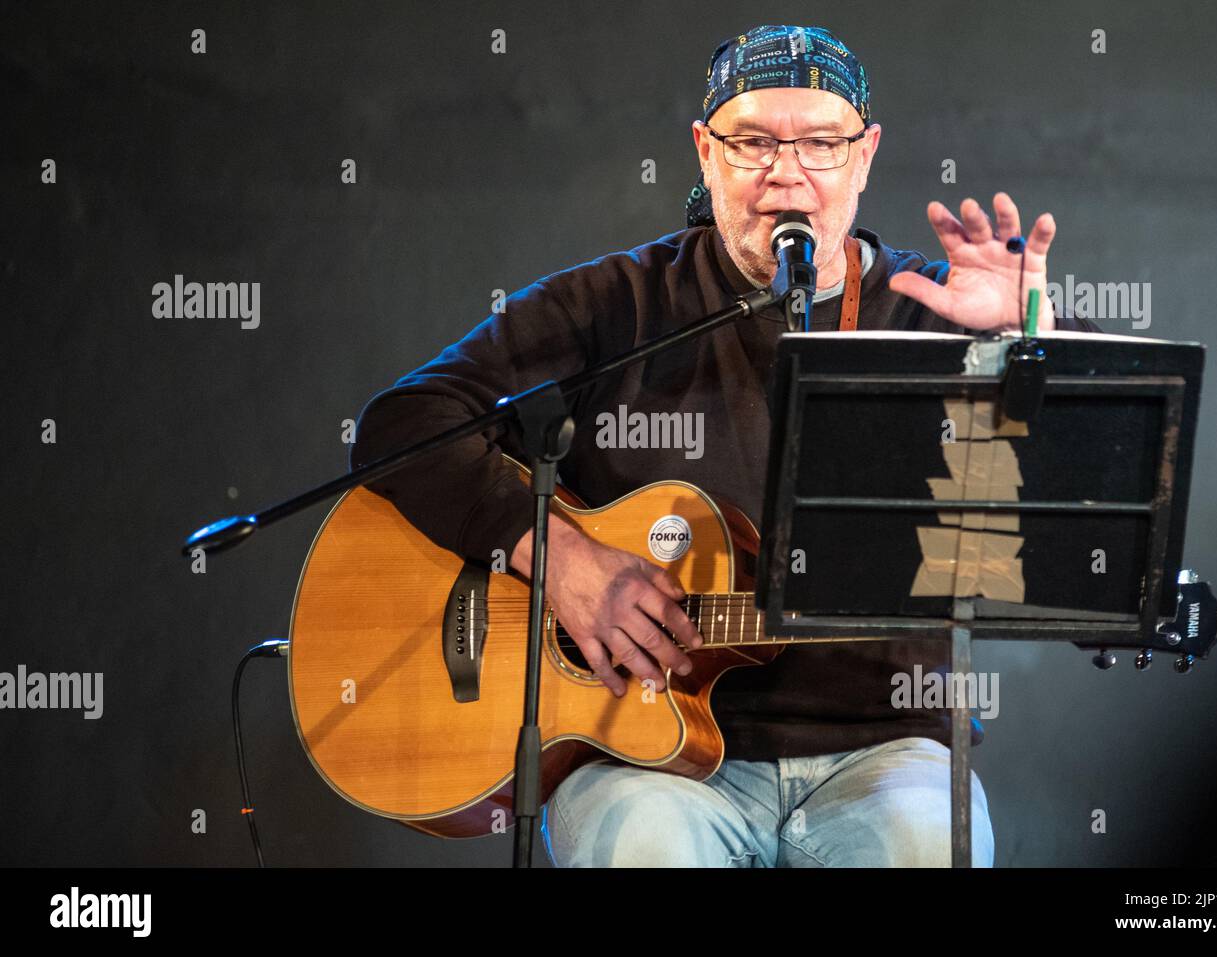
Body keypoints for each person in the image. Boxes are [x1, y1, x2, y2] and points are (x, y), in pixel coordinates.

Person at [351, 24, 1098, 867]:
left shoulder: (939, 309)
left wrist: (1032, 343)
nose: (787, 172)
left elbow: (1092, 512)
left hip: (885, 747)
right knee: (648, 845)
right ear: (705, 152)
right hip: (639, 750)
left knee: (926, 848)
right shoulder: (617, 306)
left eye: (821, 142)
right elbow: (403, 422)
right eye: (752, 142)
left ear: (864, 155)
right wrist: (561, 558)